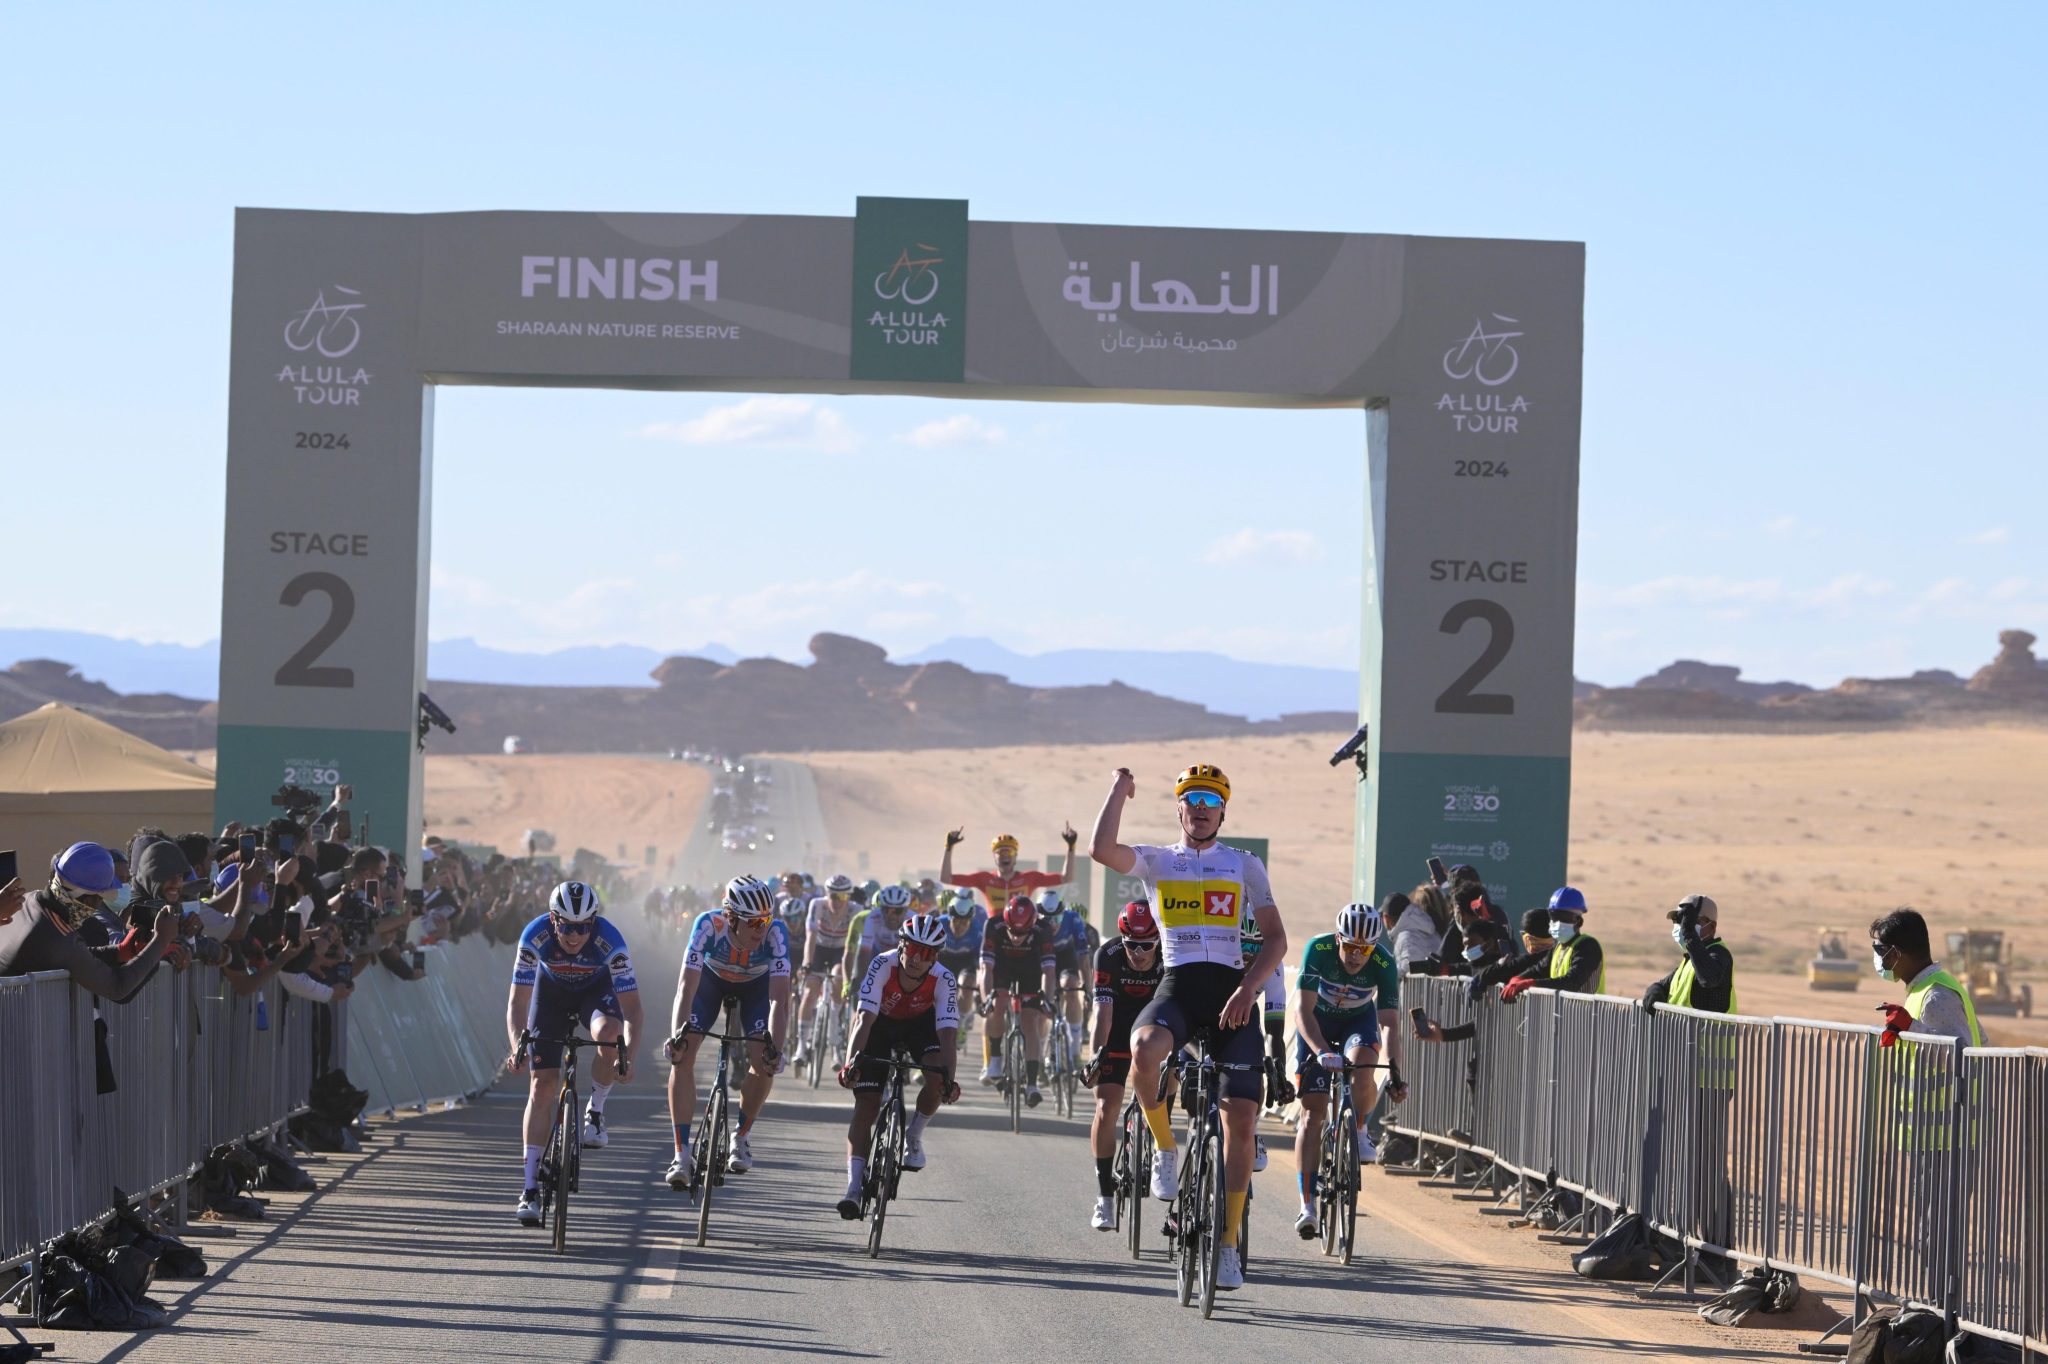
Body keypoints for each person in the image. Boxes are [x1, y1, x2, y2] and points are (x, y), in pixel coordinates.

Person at [1091, 763, 1285, 1293]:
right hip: (1177, 987)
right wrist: (1118, 792)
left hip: (1231, 994)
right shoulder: (1157, 861)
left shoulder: (1244, 865)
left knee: (1241, 1122)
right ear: (1179, 809)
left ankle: (1227, 1245)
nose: (1200, 809)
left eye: (1210, 801)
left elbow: (1275, 940)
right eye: (1191, 800)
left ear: (1223, 811)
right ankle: (1166, 1149)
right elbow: (1102, 850)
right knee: (1144, 1048)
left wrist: (1249, 989)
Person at [506, 881, 641, 1226]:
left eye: (583, 927)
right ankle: (530, 1189)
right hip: (548, 995)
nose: (574, 935)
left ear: (593, 923)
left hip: (594, 994)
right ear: (553, 920)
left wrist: (630, 1057)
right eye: (566, 926)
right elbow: (518, 1002)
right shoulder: (533, 936)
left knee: (610, 1035)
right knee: (542, 1088)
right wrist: (516, 1045)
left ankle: (595, 1112)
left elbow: (634, 1011)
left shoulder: (610, 941)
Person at [1291, 903, 1407, 1238]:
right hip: (1317, 1025)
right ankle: (1307, 1205)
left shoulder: (1383, 963)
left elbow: (1389, 1025)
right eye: (1351, 946)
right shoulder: (1319, 948)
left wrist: (1396, 1072)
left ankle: (1357, 1128)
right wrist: (1322, 1052)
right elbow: (1302, 1010)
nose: (1357, 956)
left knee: (1364, 1065)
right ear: (1338, 937)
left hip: (1358, 1021)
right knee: (1313, 1114)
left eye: (1365, 949)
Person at [836, 912, 962, 1218]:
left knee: (936, 1078)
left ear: (935, 957)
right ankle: (853, 1188)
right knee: (866, 1105)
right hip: (879, 1025)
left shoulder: (943, 978)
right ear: (902, 945)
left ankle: (914, 1136)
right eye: (914, 949)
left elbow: (947, 1033)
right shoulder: (882, 963)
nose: (918, 959)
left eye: (928, 953)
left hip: (921, 1027)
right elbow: (864, 1019)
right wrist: (852, 1062)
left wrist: (949, 1079)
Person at [666, 876, 790, 1185]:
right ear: (731, 917)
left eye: (766, 920)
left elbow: (779, 999)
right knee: (682, 1056)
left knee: (764, 1061)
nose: (761, 929)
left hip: (756, 989)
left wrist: (777, 1047)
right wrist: (677, 1035)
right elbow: (686, 986)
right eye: (753, 922)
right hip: (711, 983)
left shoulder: (777, 934)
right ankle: (681, 1155)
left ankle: (741, 1135)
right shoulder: (709, 925)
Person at [0, 843, 176, 999]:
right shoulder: (58, 936)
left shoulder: (29, 901)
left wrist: (120, 951)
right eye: (97, 899)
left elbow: (77, 955)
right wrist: (161, 940)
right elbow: (117, 987)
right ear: (82, 895)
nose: (96, 906)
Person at [1082, 901, 1163, 1230]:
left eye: (1146, 946)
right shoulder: (1108, 955)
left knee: (1165, 1085)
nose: (1139, 953)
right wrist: (1096, 1056)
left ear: (1158, 941)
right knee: (1106, 1106)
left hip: (1156, 1025)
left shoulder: (1171, 956)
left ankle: (1161, 1142)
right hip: (1115, 1026)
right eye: (1132, 944)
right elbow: (1102, 1013)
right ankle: (1105, 1196)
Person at [978, 894, 1058, 1100]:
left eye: (1022, 933)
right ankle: (995, 1058)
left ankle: (1032, 1084)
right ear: (1005, 922)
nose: (1015, 937)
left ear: (1032, 925)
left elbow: (1048, 972)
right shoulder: (993, 926)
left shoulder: (1043, 930)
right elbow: (986, 968)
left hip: (1030, 970)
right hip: (1001, 969)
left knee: (1030, 1020)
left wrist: (1047, 1001)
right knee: (998, 1003)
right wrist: (987, 999)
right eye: (1012, 931)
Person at [1469, 885, 1606, 1002]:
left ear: (1578, 922)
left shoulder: (1588, 946)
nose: (1557, 922)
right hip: (1565, 1022)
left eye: (1563, 917)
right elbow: (1539, 968)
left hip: (1589, 1025)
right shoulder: (1558, 948)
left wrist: (1530, 983)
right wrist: (1518, 979)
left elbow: (1572, 981)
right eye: (1553, 916)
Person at [1870, 907, 1982, 1047]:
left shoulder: (1936, 998)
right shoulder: (1925, 989)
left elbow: (1959, 1055)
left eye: (1880, 950)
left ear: (1896, 954)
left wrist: (1910, 1027)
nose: (1879, 958)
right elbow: (1982, 1041)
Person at [941, 825, 1080, 923]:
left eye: (1010, 852)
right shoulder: (984, 879)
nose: (1005, 856)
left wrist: (1071, 847)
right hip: (995, 933)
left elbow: (1067, 877)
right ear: (994, 857)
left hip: (1023, 931)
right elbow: (946, 878)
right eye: (1000, 852)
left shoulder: (1029, 878)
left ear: (1016, 856)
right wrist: (948, 847)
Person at [793, 873, 858, 1068]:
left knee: (838, 978)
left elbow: (853, 944)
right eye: (834, 896)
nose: (838, 902)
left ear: (849, 897)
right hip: (819, 949)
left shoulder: (855, 910)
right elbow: (811, 935)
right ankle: (801, 1046)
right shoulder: (817, 904)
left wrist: (850, 973)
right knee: (810, 992)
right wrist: (807, 963)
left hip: (841, 950)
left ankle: (835, 1045)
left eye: (843, 897)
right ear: (827, 894)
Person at [1640, 895, 1735, 1015]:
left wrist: (1690, 935)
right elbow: (1664, 985)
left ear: (1711, 927)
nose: (1682, 926)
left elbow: (1708, 978)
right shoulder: (1690, 961)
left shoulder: (1719, 954)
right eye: (1678, 920)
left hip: (1709, 1034)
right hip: (1683, 1034)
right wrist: (1654, 991)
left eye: (1690, 920)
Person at [1036, 887, 1093, 1058]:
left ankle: (1074, 1050)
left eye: (1057, 918)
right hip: (1042, 962)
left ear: (1064, 913)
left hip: (1066, 958)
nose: (1053, 924)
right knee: (1042, 1007)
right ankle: (1038, 1054)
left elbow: (1084, 959)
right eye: (1047, 919)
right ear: (1038, 917)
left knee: (1071, 986)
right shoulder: (1033, 923)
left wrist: (1088, 990)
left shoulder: (1073, 919)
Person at [840, 882, 912, 989]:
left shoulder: (912, 920)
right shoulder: (873, 917)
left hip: (901, 955)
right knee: (862, 984)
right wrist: (862, 980)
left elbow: (913, 955)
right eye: (887, 910)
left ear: (906, 910)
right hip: (875, 953)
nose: (891, 915)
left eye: (897, 911)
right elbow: (864, 952)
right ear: (881, 909)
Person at [936, 889, 986, 1021]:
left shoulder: (977, 931)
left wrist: (981, 987)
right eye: (956, 921)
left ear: (971, 920)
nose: (960, 926)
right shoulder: (938, 925)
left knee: (967, 984)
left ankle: (962, 1020)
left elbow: (981, 961)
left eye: (965, 922)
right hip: (944, 958)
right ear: (949, 918)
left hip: (966, 960)